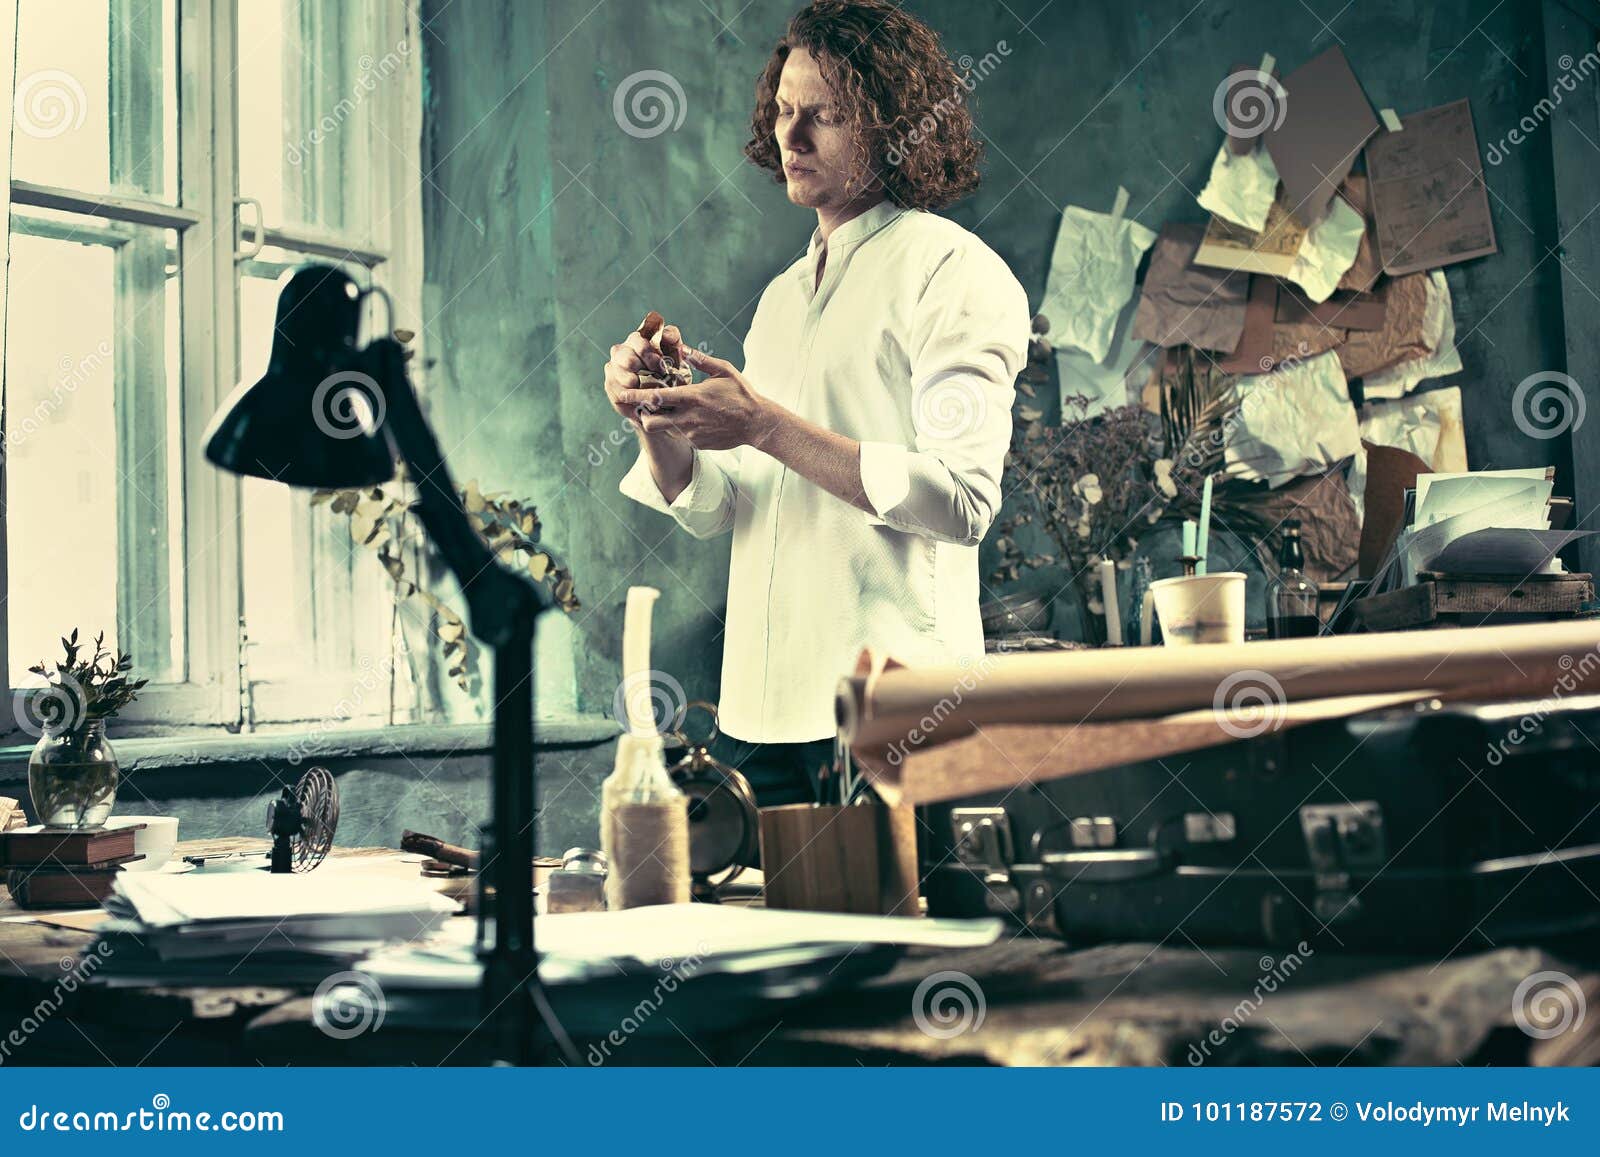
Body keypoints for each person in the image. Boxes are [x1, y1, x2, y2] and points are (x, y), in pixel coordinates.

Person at [605, 0, 1028, 805]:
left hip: (895, 713)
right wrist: (657, 419)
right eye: (783, 110)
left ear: (893, 126)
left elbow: (963, 501)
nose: (790, 138)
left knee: (902, 900)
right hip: (757, 717)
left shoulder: (953, 271)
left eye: (823, 116)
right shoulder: (781, 299)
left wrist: (763, 423)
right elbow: (721, 509)